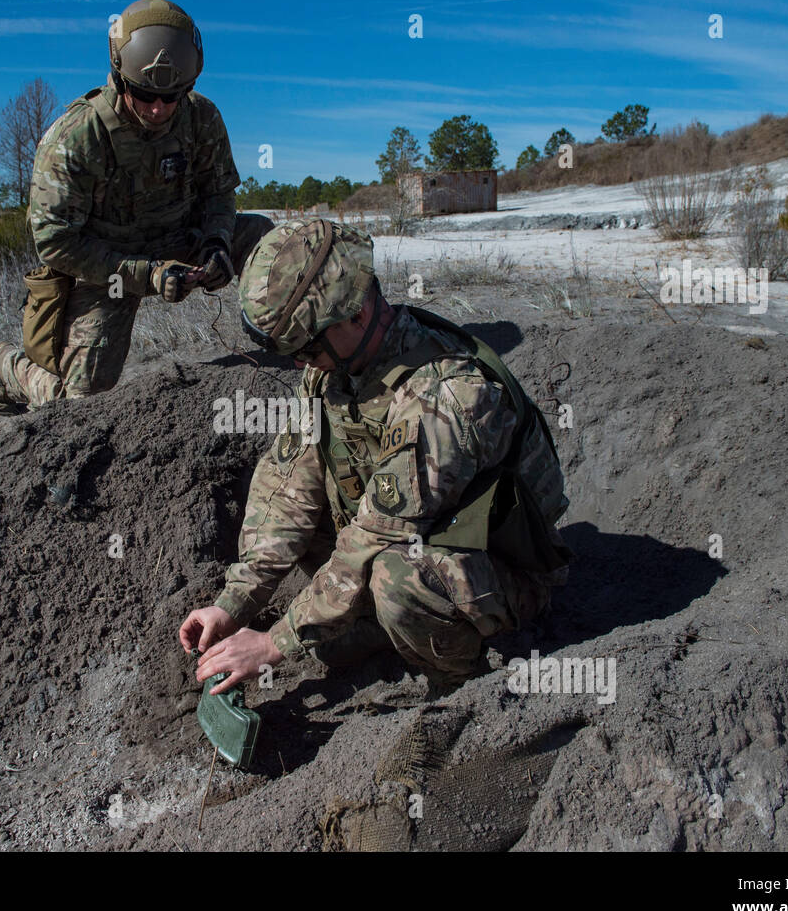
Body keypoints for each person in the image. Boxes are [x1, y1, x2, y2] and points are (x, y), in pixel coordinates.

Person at [179, 218, 572, 695]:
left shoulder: (446, 397)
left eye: (305, 346)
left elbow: (371, 540)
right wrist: (234, 601)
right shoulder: (335, 369)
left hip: (499, 567)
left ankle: (461, 682)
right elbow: (287, 486)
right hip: (414, 531)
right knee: (320, 529)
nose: (300, 362)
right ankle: (379, 626)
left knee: (397, 580)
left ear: (355, 316)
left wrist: (273, 643)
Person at [0, 0, 273, 414]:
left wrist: (217, 243)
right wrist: (146, 275)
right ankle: (8, 368)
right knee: (79, 408)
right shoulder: (77, 137)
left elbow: (218, 193)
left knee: (269, 240)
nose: (158, 109)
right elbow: (56, 244)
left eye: (172, 96)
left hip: (178, 240)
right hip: (104, 268)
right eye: (145, 94)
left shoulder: (202, 118)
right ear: (121, 77)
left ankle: (291, 348)